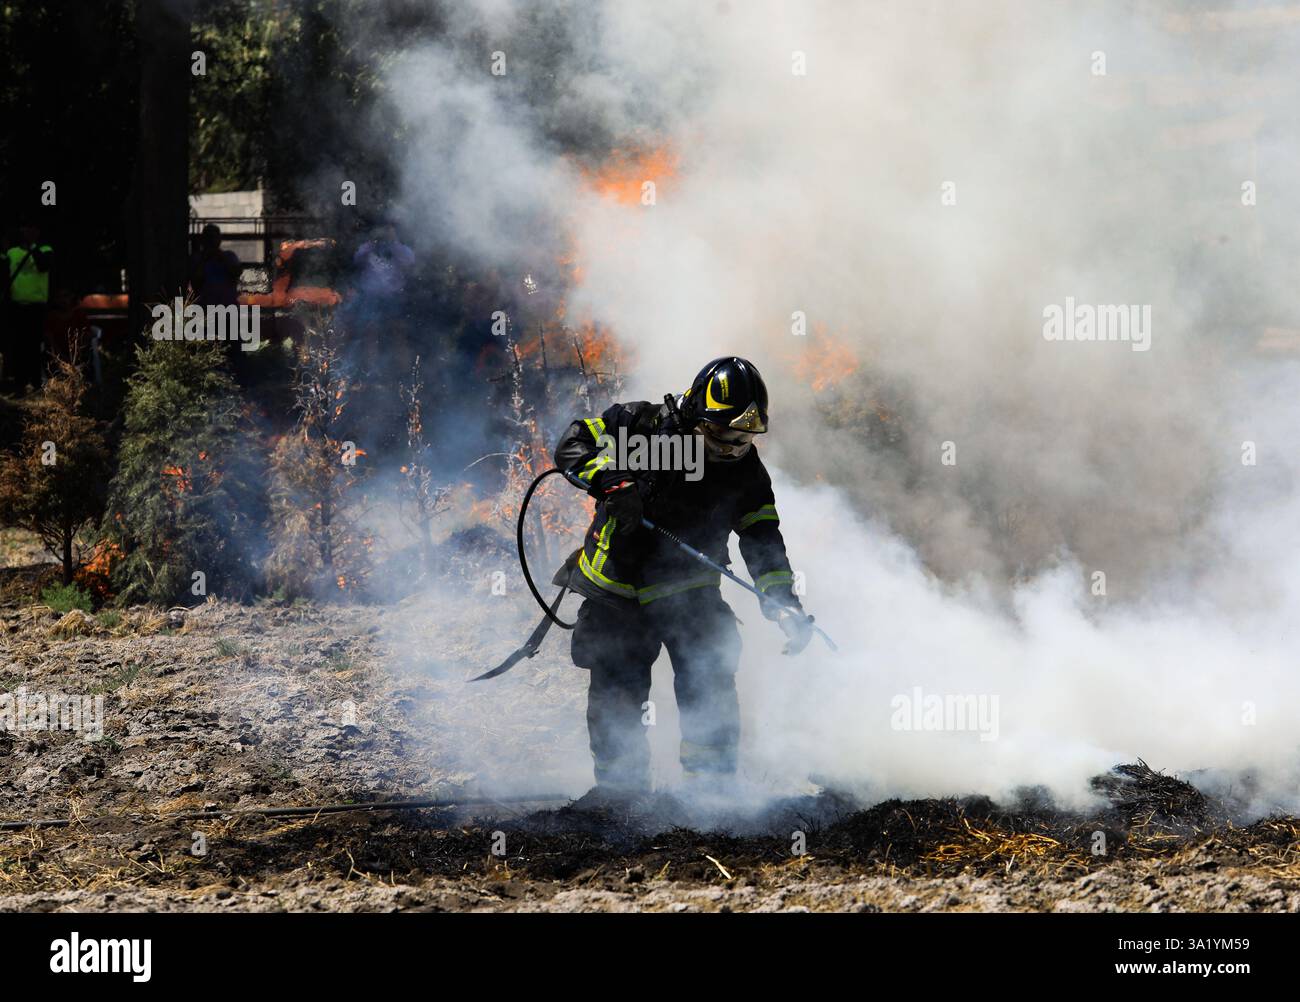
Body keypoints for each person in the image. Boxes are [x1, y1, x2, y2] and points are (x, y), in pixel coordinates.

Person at [553, 356, 816, 801]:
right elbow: (573, 445)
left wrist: (784, 601)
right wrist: (612, 481)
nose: (732, 448)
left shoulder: (746, 472)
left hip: (689, 591)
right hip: (617, 592)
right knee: (616, 698)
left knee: (709, 682)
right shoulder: (642, 428)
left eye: (745, 438)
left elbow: (762, 539)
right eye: (723, 435)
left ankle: (710, 796)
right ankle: (620, 797)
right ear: (697, 414)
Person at [5, 223, 54, 391]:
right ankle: (19, 383)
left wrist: (33, 246)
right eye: (26, 228)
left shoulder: (45, 249)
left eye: (33, 228)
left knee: (34, 345)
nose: (29, 231)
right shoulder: (11, 252)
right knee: (18, 345)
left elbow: (43, 265)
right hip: (17, 306)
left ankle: (36, 382)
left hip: (36, 306)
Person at [188, 223, 241, 307]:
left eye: (213, 237)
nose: (212, 241)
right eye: (209, 238)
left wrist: (221, 257)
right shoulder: (197, 259)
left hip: (225, 306)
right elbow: (195, 283)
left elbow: (236, 273)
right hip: (210, 307)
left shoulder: (229, 256)